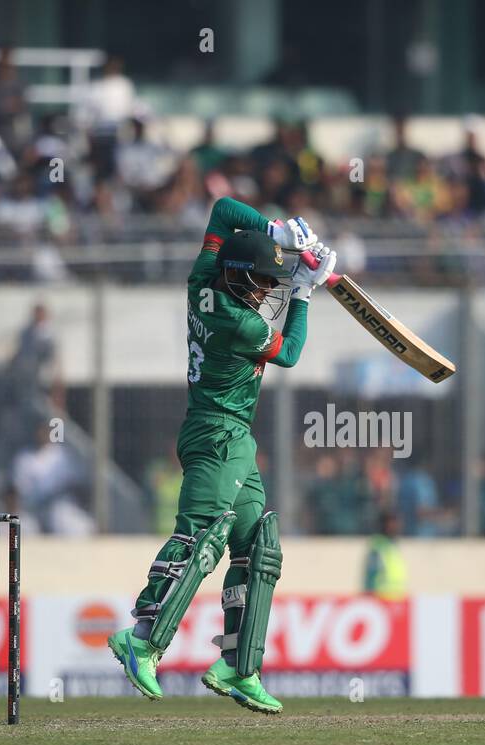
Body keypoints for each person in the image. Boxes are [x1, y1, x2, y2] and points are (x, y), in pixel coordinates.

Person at [106, 199, 335, 715]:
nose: (267, 292)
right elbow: (292, 352)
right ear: (237, 279)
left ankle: (239, 664)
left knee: (258, 547)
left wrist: (276, 232)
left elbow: (220, 210)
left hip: (233, 438)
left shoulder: (203, 278)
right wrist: (303, 290)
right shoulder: (243, 325)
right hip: (217, 434)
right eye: (262, 283)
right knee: (201, 537)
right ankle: (141, 640)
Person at [363, 512, 408, 599]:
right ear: (384, 525)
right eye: (392, 523)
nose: (396, 526)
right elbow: (370, 577)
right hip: (382, 600)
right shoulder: (378, 547)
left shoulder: (393, 546)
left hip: (396, 600)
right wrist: (370, 600)